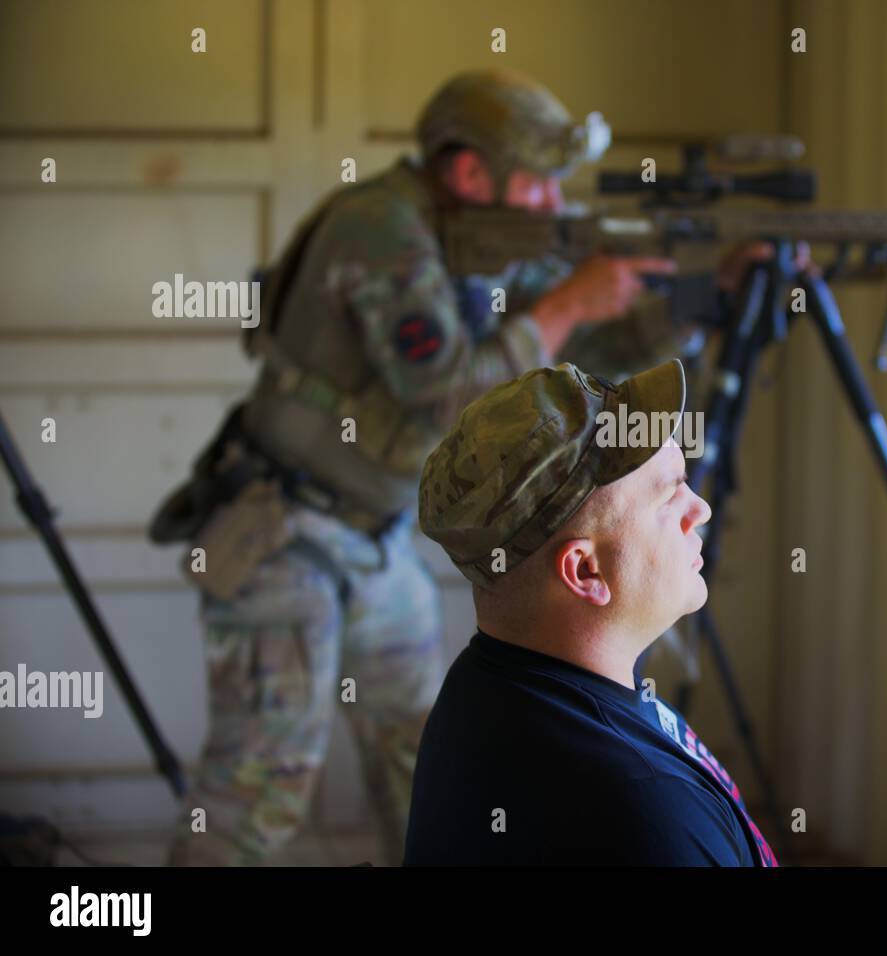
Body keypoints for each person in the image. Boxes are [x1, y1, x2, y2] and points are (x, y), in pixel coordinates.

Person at [149, 67, 774, 866]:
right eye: (538, 180)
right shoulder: (381, 229)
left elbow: (586, 353)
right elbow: (442, 399)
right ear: (472, 173)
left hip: (374, 536)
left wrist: (696, 299)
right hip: (282, 529)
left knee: (425, 770)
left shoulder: (484, 245)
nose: (554, 201)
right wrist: (570, 302)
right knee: (257, 790)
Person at [406, 359, 778, 866]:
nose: (701, 510)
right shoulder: (645, 811)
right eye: (669, 495)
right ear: (585, 572)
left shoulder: (482, 686)